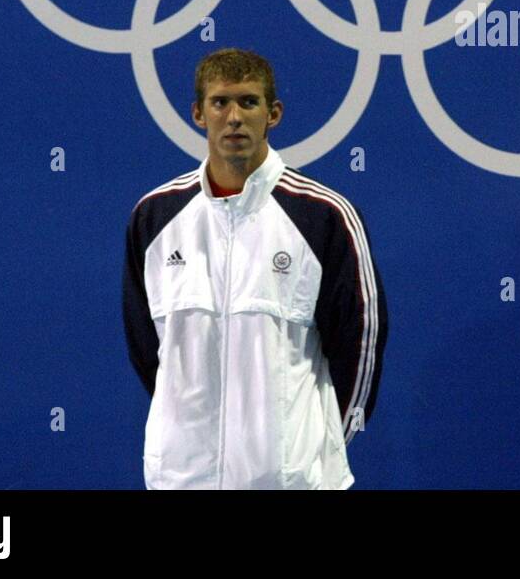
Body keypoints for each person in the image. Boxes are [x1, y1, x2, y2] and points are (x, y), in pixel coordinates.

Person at [122, 47, 387, 489]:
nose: (234, 117)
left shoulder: (325, 216)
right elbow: (149, 353)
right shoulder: (154, 218)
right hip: (182, 479)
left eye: (249, 102)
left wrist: (314, 452)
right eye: (220, 102)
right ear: (198, 114)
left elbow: (359, 349)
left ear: (274, 114)